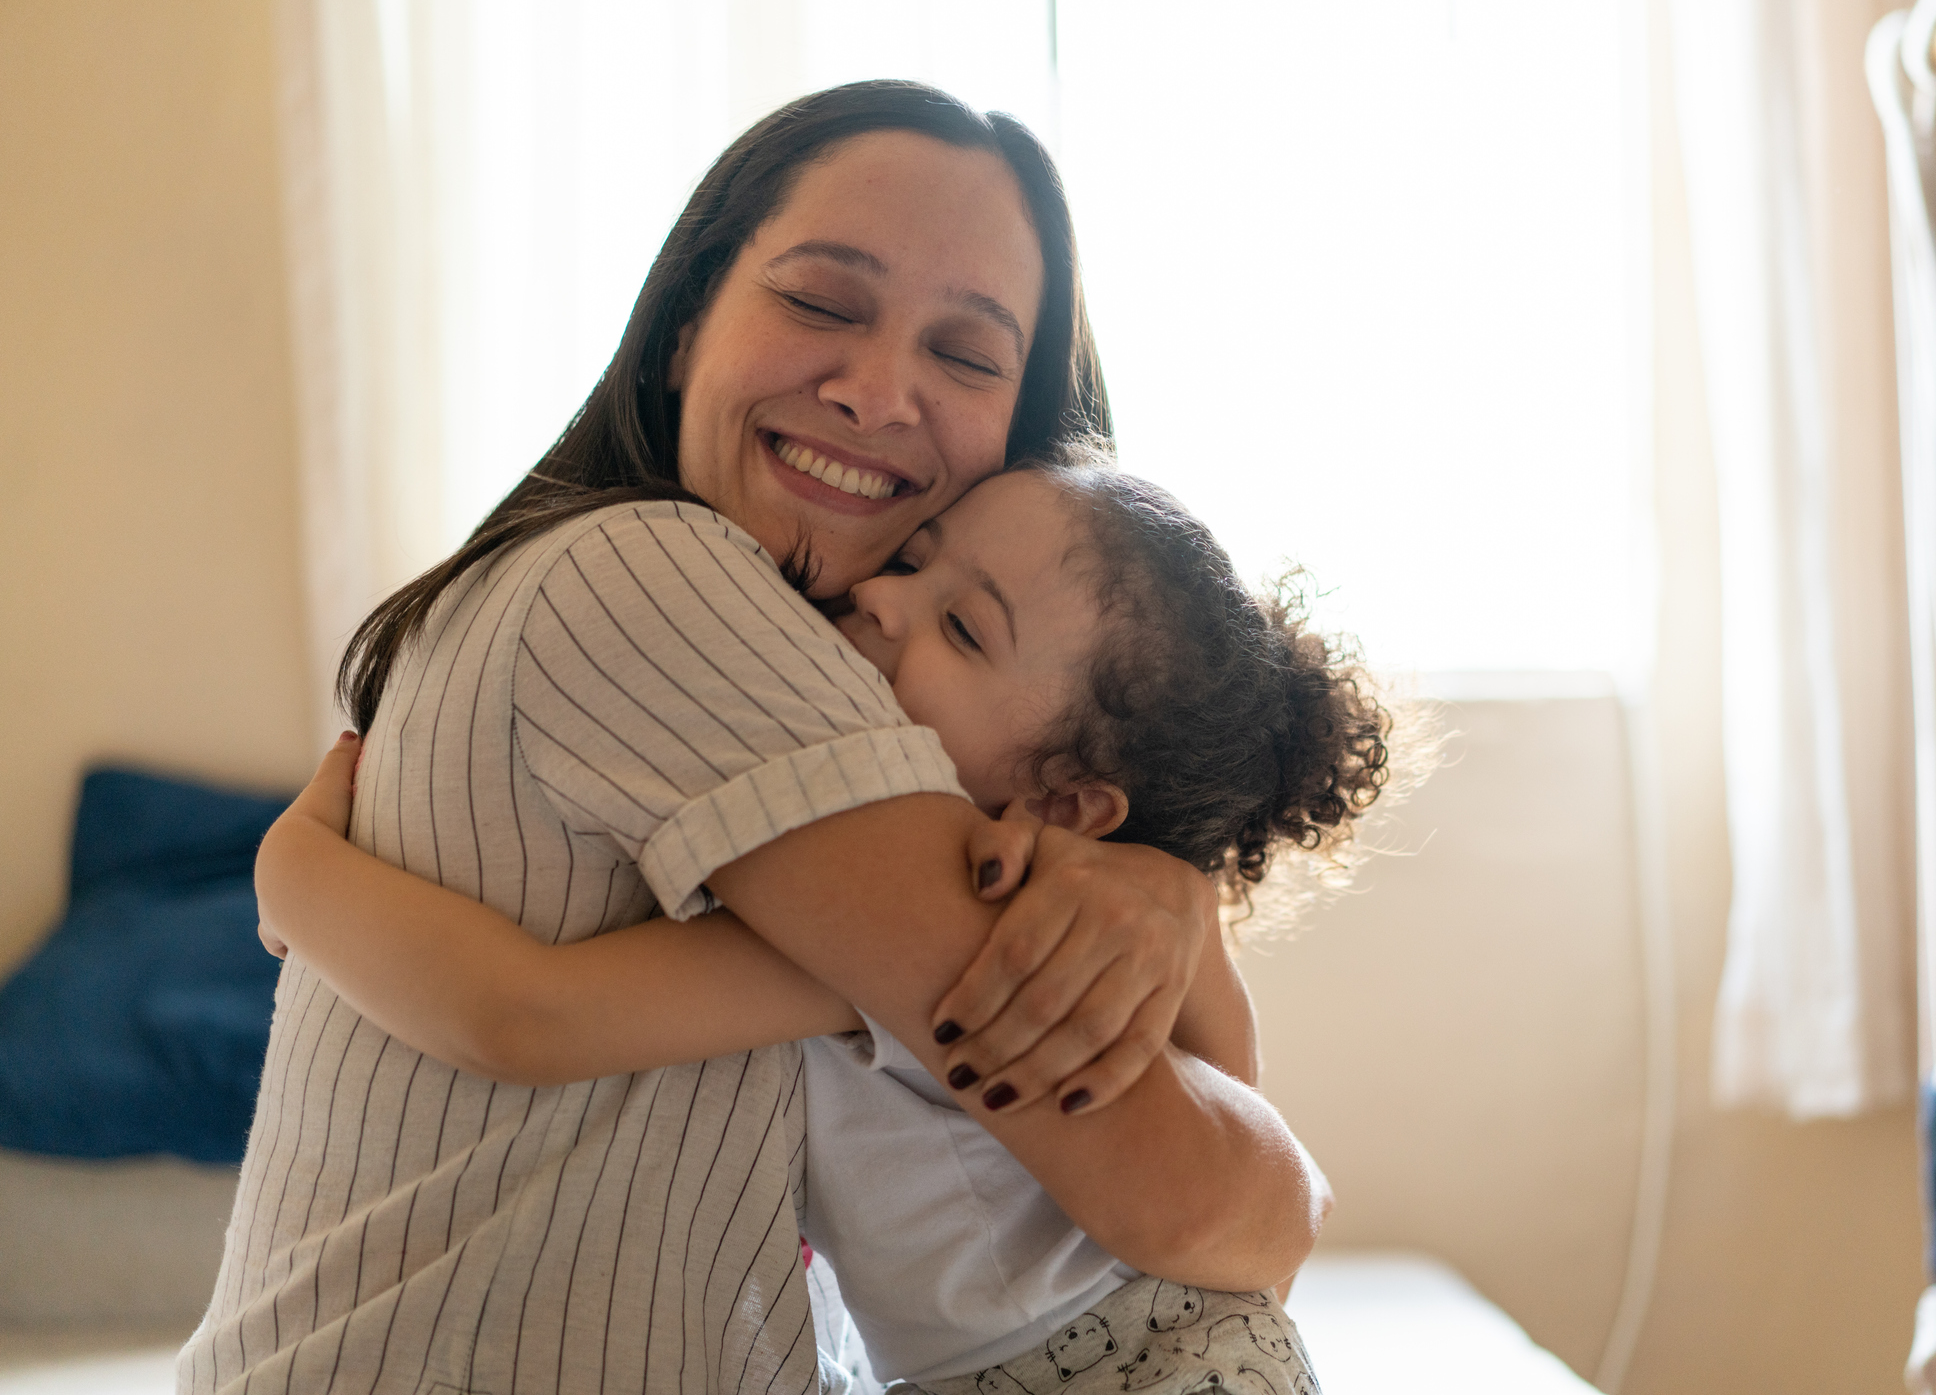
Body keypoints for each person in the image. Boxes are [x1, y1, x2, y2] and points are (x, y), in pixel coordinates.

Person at [179, 83, 1326, 1395]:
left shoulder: (783, 684)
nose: (878, 389)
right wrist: (286, 876)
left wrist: (1177, 906)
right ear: (681, 329)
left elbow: (1234, 1221)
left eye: (965, 354)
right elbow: (1225, 1209)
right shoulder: (667, 579)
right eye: (824, 304)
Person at [252, 457, 1391, 1393]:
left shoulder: (937, 910)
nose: (883, 598)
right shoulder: (980, 895)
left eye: (960, 626)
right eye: (910, 558)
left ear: (1066, 802)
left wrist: (290, 869)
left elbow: (519, 1012)